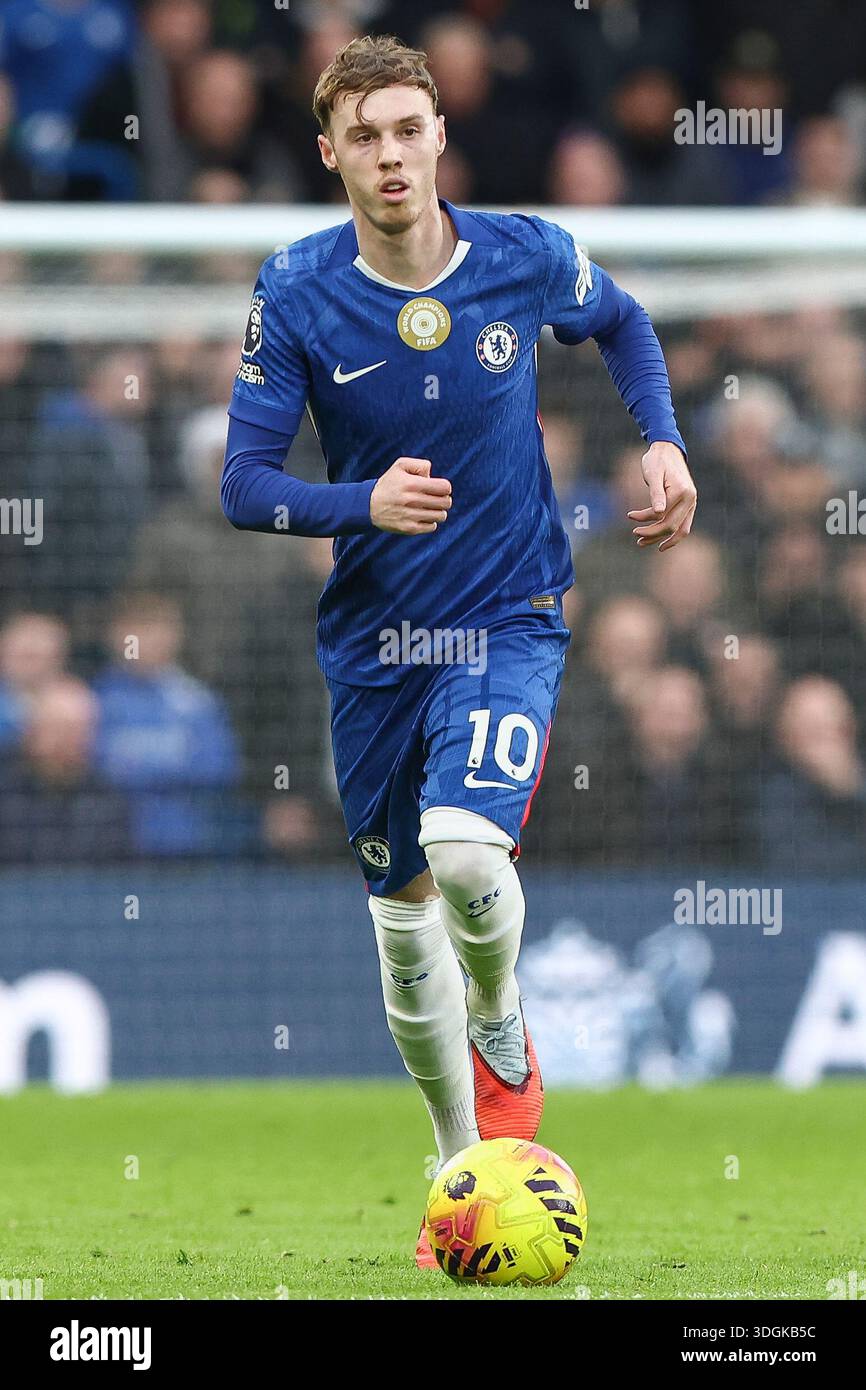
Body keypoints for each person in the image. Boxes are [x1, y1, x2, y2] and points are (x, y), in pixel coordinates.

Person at [220, 33, 695, 1268]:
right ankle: (453, 1157)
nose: (389, 155)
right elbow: (242, 485)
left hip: (508, 616)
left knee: (465, 850)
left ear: (440, 137)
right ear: (329, 154)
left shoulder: (523, 255)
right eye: (363, 136)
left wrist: (661, 439)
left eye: (406, 129)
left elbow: (625, 319)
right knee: (398, 914)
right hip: (373, 647)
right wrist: (358, 502)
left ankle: (500, 1010)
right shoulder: (296, 289)